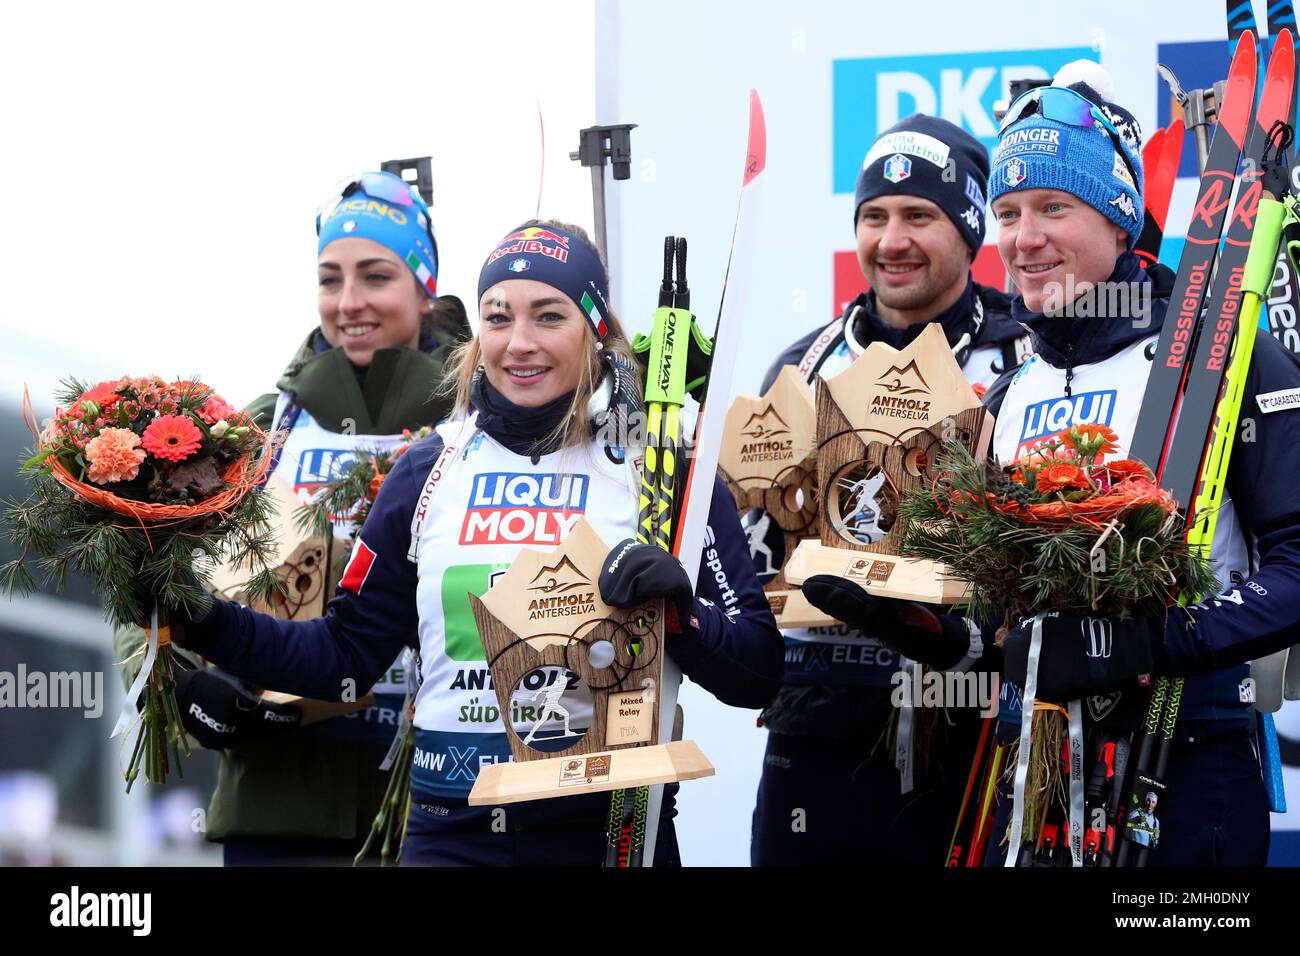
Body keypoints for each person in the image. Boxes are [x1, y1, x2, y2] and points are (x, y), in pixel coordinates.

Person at [166, 219, 783, 866]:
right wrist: (205, 622)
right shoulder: (428, 470)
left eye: (548, 317)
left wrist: (681, 617)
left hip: (610, 834)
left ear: (596, 332)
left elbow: (758, 670)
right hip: (452, 833)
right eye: (498, 316)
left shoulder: (660, 468)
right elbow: (344, 656)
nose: (519, 343)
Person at [805, 69, 1300, 866]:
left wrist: (1147, 644)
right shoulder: (1008, 394)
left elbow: (1298, 564)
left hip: (1184, 757)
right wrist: (923, 628)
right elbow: (1003, 634)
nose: (1023, 238)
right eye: (1007, 212)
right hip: (1032, 769)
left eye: (1054, 208)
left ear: (1120, 218)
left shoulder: (1222, 361)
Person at [114, 170, 469, 866]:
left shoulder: (476, 426)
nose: (349, 302)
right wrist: (183, 676)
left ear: (425, 289)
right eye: (330, 279)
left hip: (433, 807)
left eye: (376, 277)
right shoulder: (261, 430)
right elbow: (150, 574)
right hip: (274, 807)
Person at [751, 115, 1028, 866]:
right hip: (817, 732)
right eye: (874, 216)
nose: (891, 239)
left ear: (969, 232)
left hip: (970, 732)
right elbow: (751, 539)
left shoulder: (1023, 358)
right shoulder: (803, 365)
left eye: (919, 216)